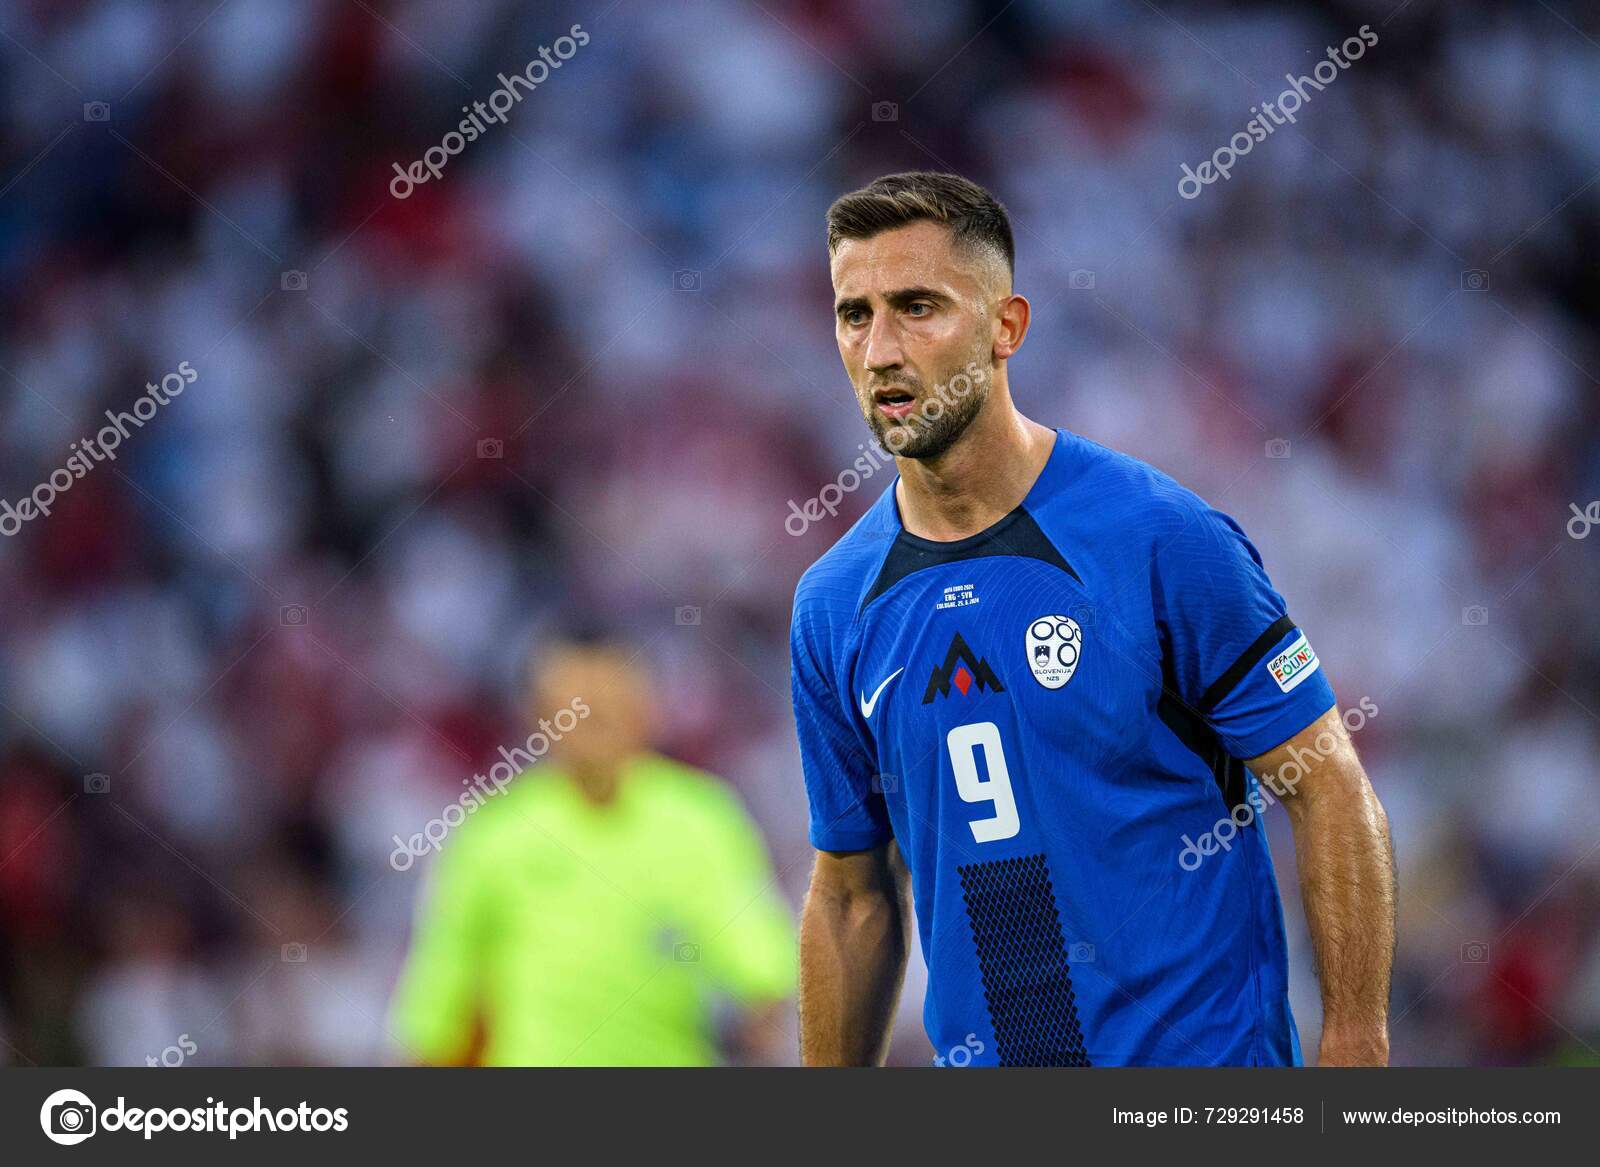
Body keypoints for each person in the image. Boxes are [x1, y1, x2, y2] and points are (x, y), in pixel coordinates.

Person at [790, 171, 1395, 1067]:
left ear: (1007, 327)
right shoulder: (834, 605)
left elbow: (1327, 782)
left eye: (917, 307)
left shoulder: (1155, 536)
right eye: (854, 314)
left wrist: (1354, 1040)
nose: (880, 349)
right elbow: (852, 893)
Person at [391, 638, 795, 1065]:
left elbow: (759, 968)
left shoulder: (701, 821)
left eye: (608, 709)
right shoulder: (496, 835)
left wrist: (760, 1014)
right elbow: (440, 1000)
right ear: (537, 716)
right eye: (575, 710)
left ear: (648, 711)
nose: (591, 723)